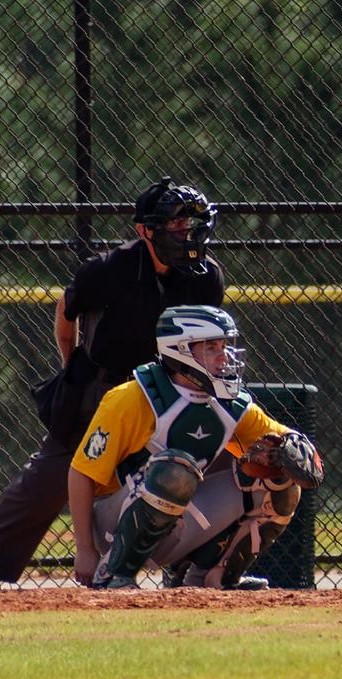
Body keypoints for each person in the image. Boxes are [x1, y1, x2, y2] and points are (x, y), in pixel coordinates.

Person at [0, 178, 225, 584]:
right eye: (174, 224)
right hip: (102, 390)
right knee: (47, 485)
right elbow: (66, 309)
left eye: (192, 223)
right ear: (144, 231)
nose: (186, 232)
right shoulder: (110, 269)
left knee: (208, 463)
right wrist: (71, 364)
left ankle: (194, 567)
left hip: (168, 394)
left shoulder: (205, 276)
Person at [68, 305, 322, 589]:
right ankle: (114, 572)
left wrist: (297, 449)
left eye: (225, 346)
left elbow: (282, 438)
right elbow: (80, 474)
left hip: (178, 523)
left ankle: (214, 579)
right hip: (111, 525)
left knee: (279, 483)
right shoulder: (132, 399)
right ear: (180, 350)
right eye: (212, 347)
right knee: (175, 469)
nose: (224, 356)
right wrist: (85, 550)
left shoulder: (230, 404)